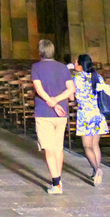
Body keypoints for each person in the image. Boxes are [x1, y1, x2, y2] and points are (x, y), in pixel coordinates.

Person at [31, 38, 75, 194]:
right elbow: (71, 89)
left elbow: (39, 90)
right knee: (58, 147)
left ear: (40, 52)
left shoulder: (36, 67)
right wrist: (57, 101)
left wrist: (52, 102)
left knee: (49, 149)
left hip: (44, 112)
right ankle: (58, 179)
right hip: (61, 112)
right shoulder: (63, 67)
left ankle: (56, 184)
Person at [72, 53, 110, 185]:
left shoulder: (76, 78)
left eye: (75, 63)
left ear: (80, 65)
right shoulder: (98, 76)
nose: (74, 64)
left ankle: (97, 170)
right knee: (95, 145)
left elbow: (72, 98)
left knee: (87, 146)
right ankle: (96, 171)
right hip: (98, 114)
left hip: (85, 115)